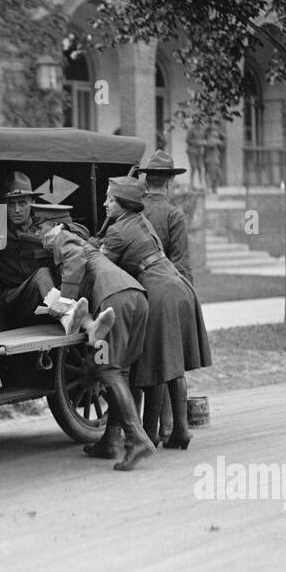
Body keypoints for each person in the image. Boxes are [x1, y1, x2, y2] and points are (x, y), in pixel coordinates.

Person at [95, 176, 211, 450]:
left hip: (158, 292)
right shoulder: (140, 221)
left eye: (110, 199)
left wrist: (84, 246)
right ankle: (180, 432)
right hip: (179, 288)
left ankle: (147, 434)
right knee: (174, 364)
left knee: (153, 364)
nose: (105, 203)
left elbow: (100, 263)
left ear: (123, 204)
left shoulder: (117, 231)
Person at [43, 218, 158, 471]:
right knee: (121, 370)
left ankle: (137, 439)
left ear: (57, 226)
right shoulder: (87, 244)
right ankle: (111, 440)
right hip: (135, 296)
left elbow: (74, 261)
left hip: (112, 300)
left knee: (106, 370)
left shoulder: (64, 239)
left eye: (42, 228)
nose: (42, 235)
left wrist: (64, 300)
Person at [0, 171, 58, 327]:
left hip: (44, 297)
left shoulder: (44, 224)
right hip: (14, 300)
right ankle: (66, 316)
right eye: (11, 204)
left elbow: (81, 232)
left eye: (22, 203)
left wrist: (62, 228)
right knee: (42, 273)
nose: (17, 210)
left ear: (32, 202)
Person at [135, 149, 192, 283]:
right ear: (170, 181)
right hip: (163, 286)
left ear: (147, 181)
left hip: (134, 286)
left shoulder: (133, 209)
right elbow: (181, 265)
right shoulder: (174, 215)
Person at [186, 124, 207, 190]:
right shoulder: (191, 129)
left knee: (200, 167)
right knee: (193, 167)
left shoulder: (203, 129)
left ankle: (201, 184)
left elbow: (205, 139)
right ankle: (192, 184)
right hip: (192, 151)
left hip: (200, 151)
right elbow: (187, 140)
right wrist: (197, 142)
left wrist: (204, 142)